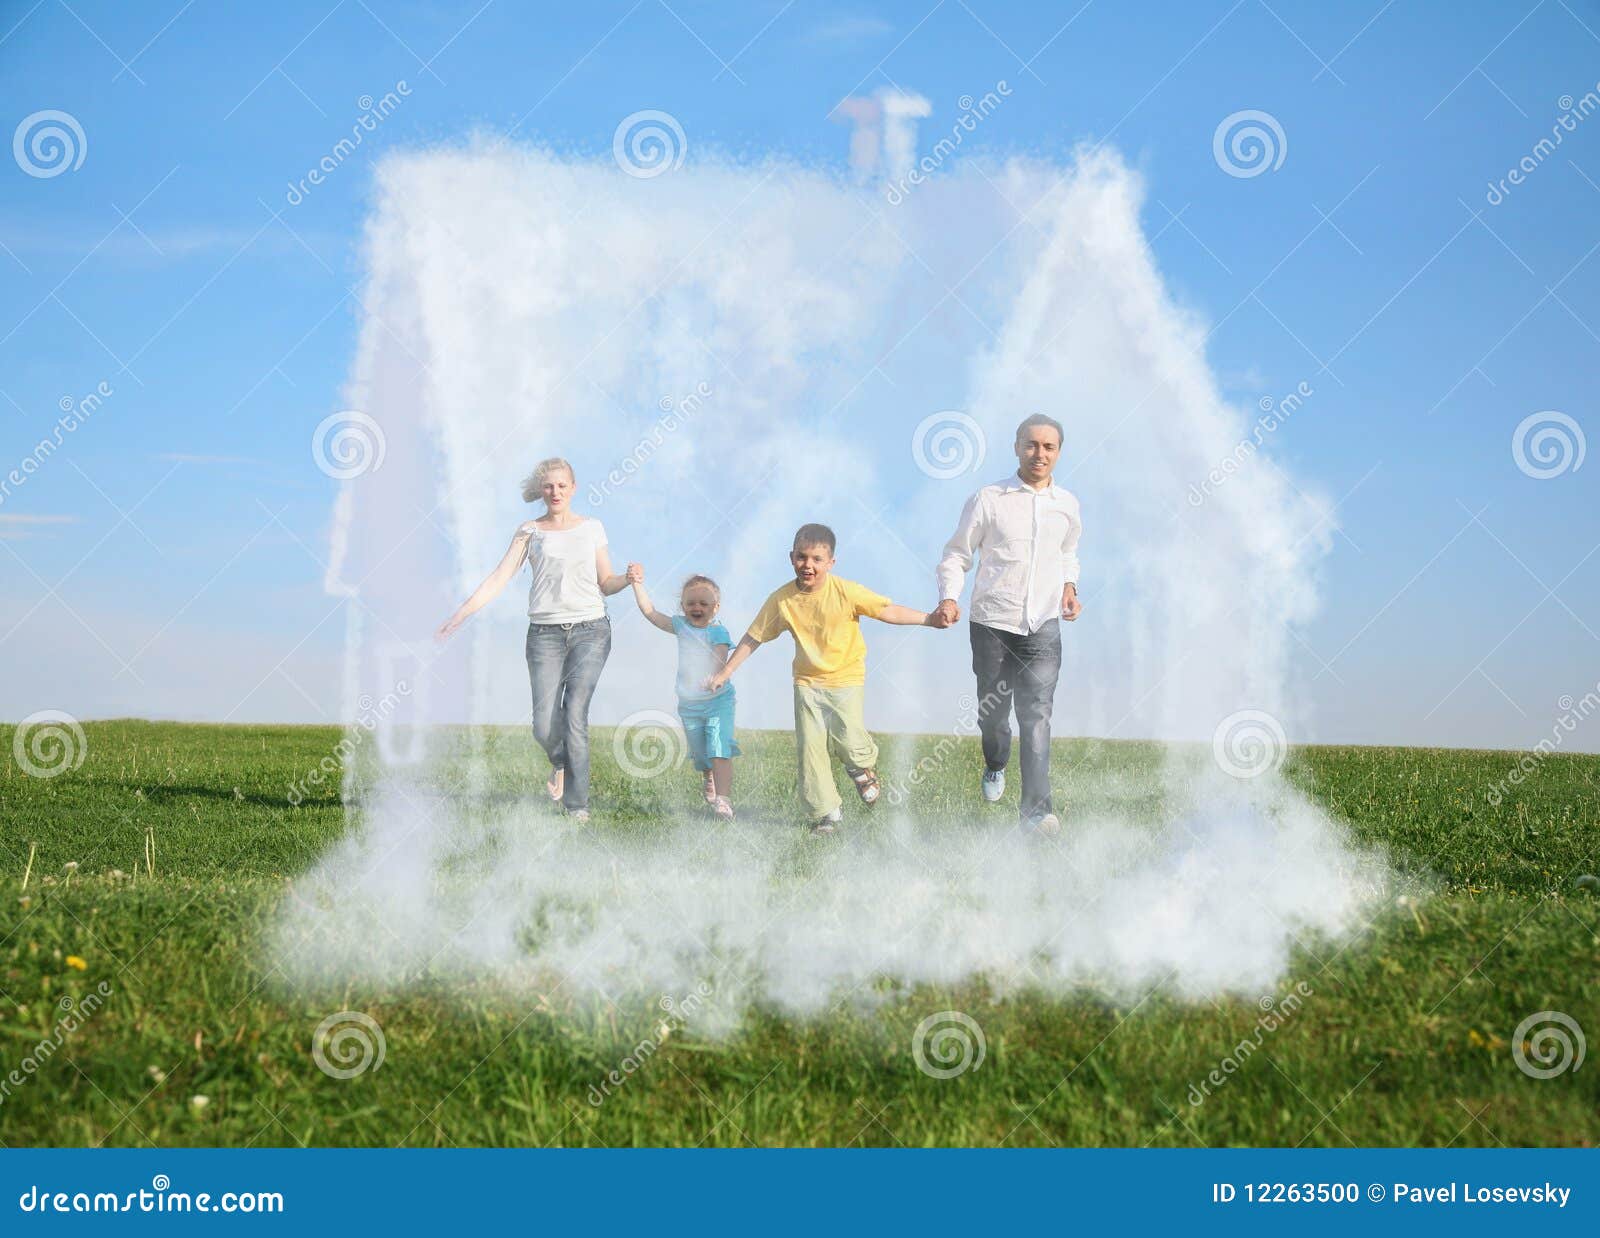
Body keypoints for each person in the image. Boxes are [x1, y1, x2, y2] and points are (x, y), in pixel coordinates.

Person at [707, 523, 953, 834]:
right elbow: (753, 637)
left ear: (831, 562)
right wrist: (725, 672)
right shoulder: (781, 600)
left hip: (846, 678)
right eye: (801, 557)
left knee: (848, 738)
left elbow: (887, 611)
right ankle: (828, 815)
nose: (807, 565)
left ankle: (860, 767)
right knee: (810, 750)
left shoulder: (845, 591)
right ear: (791, 557)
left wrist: (929, 619)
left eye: (816, 559)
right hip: (807, 683)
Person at [435, 457, 628, 821]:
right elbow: (498, 578)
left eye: (562, 485)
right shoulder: (529, 531)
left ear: (573, 488)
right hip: (544, 634)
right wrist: (460, 615)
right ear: (542, 491)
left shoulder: (592, 528)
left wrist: (627, 580)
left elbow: (606, 582)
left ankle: (577, 806)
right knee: (543, 724)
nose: (555, 492)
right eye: (549, 486)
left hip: (591, 630)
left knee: (574, 714)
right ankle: (560, 761)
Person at [935, 414, 1083, 835]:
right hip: (992, 623)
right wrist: (949, 596)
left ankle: (1036, 812)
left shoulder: (1067, 505)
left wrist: (1069, 585)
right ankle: (995, 762)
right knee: (994, 714)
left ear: (1058, 452)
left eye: (1049, 447)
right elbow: (957, 554)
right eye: (1032, 445)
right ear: (1017, 447)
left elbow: (1069, 552)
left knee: (1036, 713)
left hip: (1043, 625)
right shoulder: (989, 498)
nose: (1040, 454)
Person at [625, 564, 740, 820]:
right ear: (682, 606)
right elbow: (650, 612)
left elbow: (721, 655)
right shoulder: (680, 626)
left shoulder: (718, 631)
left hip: (718, 700)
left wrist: (715, 674)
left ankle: (723, 800)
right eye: (691, 604)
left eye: (704, 603)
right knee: (701, 752)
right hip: (689, 704)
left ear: (715, 608)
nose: (697, 608)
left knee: (719, 747)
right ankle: (707, 774)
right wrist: (636, 584)